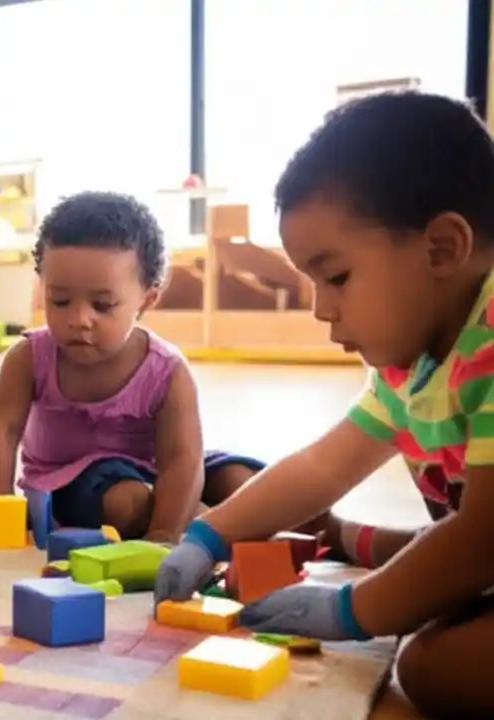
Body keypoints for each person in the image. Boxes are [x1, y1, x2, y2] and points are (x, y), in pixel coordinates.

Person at [153, 90, 494, 718]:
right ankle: (353, 540)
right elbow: (321, 467)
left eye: (335, 277)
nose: (320, 308)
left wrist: (354, 610)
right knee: (427, 571)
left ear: (443, 248)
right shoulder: (412, 363)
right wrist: (208, 534)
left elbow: (481, 540)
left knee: (428, 662)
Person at [0, 191, 264, 541]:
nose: (79, 319)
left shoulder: (167, 370)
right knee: (129, 503)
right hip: (68, 480)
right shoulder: (29, 357)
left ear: (147, 299)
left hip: (155, 470)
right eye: (60, 300)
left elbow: (181, 458)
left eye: (102, 304)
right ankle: (204, 524)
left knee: (245, 483)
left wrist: (164, 537)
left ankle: (317, 529)